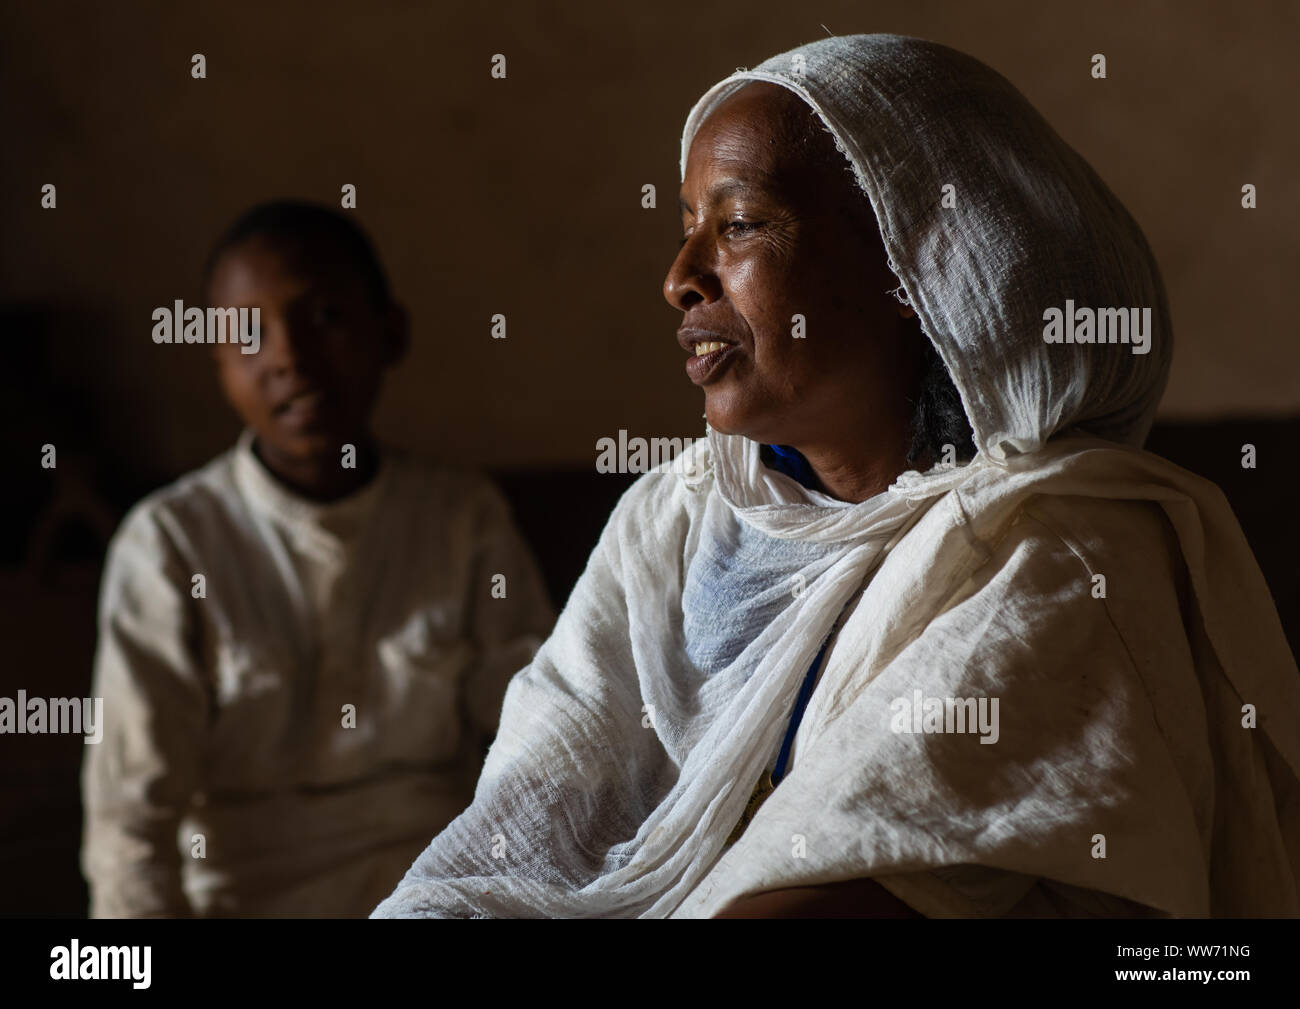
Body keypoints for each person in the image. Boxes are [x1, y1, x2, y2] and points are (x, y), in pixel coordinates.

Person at [372, 34, 1300, 918]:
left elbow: (848, 886)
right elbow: (515, 835)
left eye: (737, 225)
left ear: (913, 268)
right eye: (686, 228)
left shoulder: (1056, 539)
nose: (681, 278)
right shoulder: (677, 518)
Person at [82, 201, 555, 916]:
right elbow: (130, 823)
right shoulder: (171, 544)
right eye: (248, 334)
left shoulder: (462, 518)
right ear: (217, 362)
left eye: (326, 317)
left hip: (433, 893)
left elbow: (536, 745)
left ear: (390, 332)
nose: (288, 358)